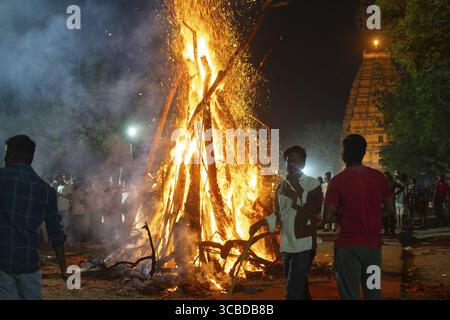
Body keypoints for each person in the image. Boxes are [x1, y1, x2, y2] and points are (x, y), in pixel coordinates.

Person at [323, 134, 395, 300]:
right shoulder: (379, 177)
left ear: (344, 154)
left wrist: (341, 217)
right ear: (363, 153)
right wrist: (372, 215)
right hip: (373, 248)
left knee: (349, 294)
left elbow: (327, 217)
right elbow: (391, 209)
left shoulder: (337, 180)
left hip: (347, 247)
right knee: (373, 292)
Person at [249, 146, 323, 300]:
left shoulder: (312, 184)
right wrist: (260, 223)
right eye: (288, 161)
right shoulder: (281, 187)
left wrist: (295, 195)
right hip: (287, 244)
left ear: (303, 163)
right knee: (300, 286)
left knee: (292, 289)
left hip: (304, 244)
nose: (291, 164)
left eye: (295, 161)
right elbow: (278, 214)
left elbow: (316, 213)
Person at [0, 135, 66, 299]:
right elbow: (55, 232)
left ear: (10, 156)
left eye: (5, 153)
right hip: (29, 261)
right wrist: (63, 268)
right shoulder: (46, 190)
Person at [71, 178, 89, 243]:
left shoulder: (72, 191)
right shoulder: (80, 192)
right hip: (80, 211)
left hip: (74, 211)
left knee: (76, 225)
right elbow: (82, 201)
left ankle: (76, 239)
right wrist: (87, 201)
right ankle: (82, 240)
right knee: (82, 226)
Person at [383, 172, 397, 237]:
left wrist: (395, 194)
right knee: (385, 217)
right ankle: (387, 232)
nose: (385, 177)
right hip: (385, 201)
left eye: (386, 176)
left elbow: (402, 187)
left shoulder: (392, 183)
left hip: (390, 201)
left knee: (391, 217)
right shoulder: (382, 183)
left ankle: (391, 232)